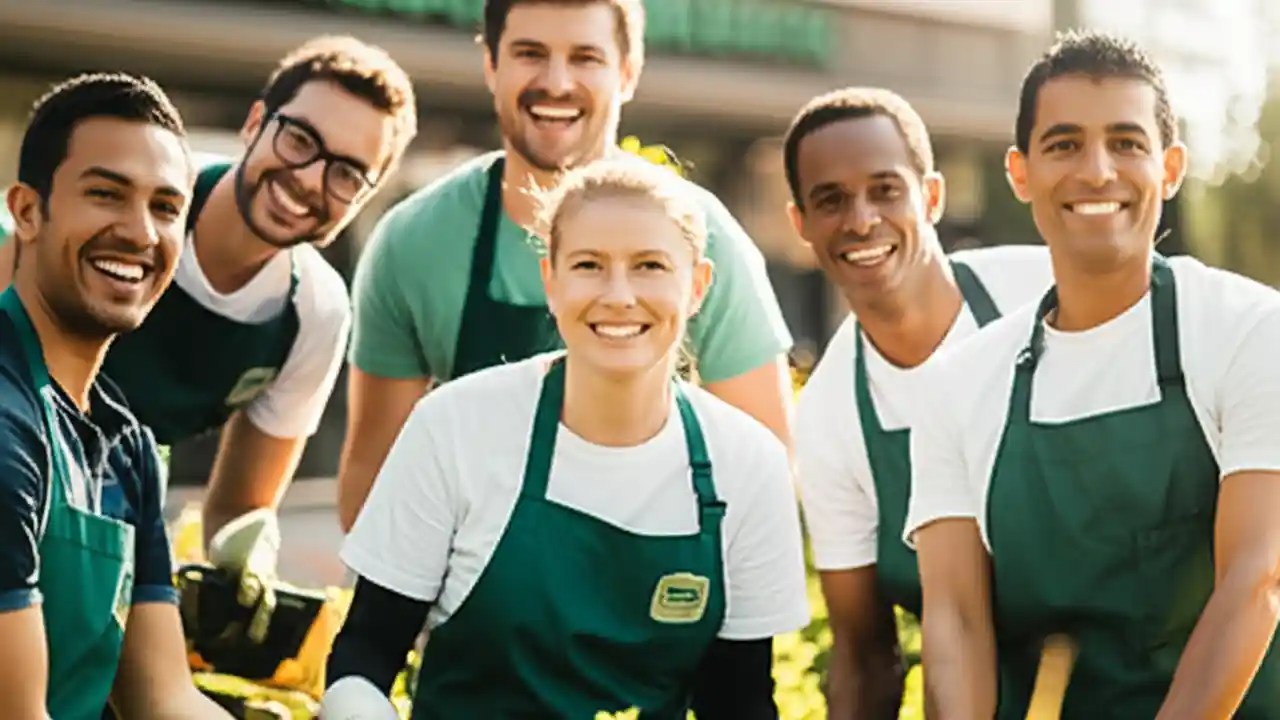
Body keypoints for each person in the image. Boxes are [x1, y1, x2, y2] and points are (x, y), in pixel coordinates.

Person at [321, 157, 810, 719]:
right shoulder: (456, 426)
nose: (620, 295)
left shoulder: (747, 465)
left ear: (697, 286)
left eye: (650, 265)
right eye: (588, 265)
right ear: (550, 282)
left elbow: (738, 702)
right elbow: (365, 655)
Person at [906, 30, 1280, 718]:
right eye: (1064, 144)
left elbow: (1256, 581)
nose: (1098, 171)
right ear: (1021, 173)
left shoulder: (1251, 330)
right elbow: (956, 622)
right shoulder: (956, 386)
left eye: (1127, 143)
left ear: (1170, 168)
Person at [336, 0, 794, 532]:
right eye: (530, 54)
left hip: (656, 590)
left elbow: (767, 470)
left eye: (585, 57)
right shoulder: (415, 241)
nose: (556, 82)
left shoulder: (699, 234)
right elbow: (374, 483)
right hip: (472, 597)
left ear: (627, 71)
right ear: (491, 65)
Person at [786, 87, 1053, 717]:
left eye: (885, 189)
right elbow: (865, 652)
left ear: (931, 196)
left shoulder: (1044, 291)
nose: (860, 220)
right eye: (831, 200)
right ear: (800, 224)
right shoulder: (829, 418)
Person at [0, 72, 231, 718]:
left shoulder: (123, 442)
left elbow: (162, 698)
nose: (139, 233)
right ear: (27, 211)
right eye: (106, 194)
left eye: (165, 208)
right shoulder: (5, 425)